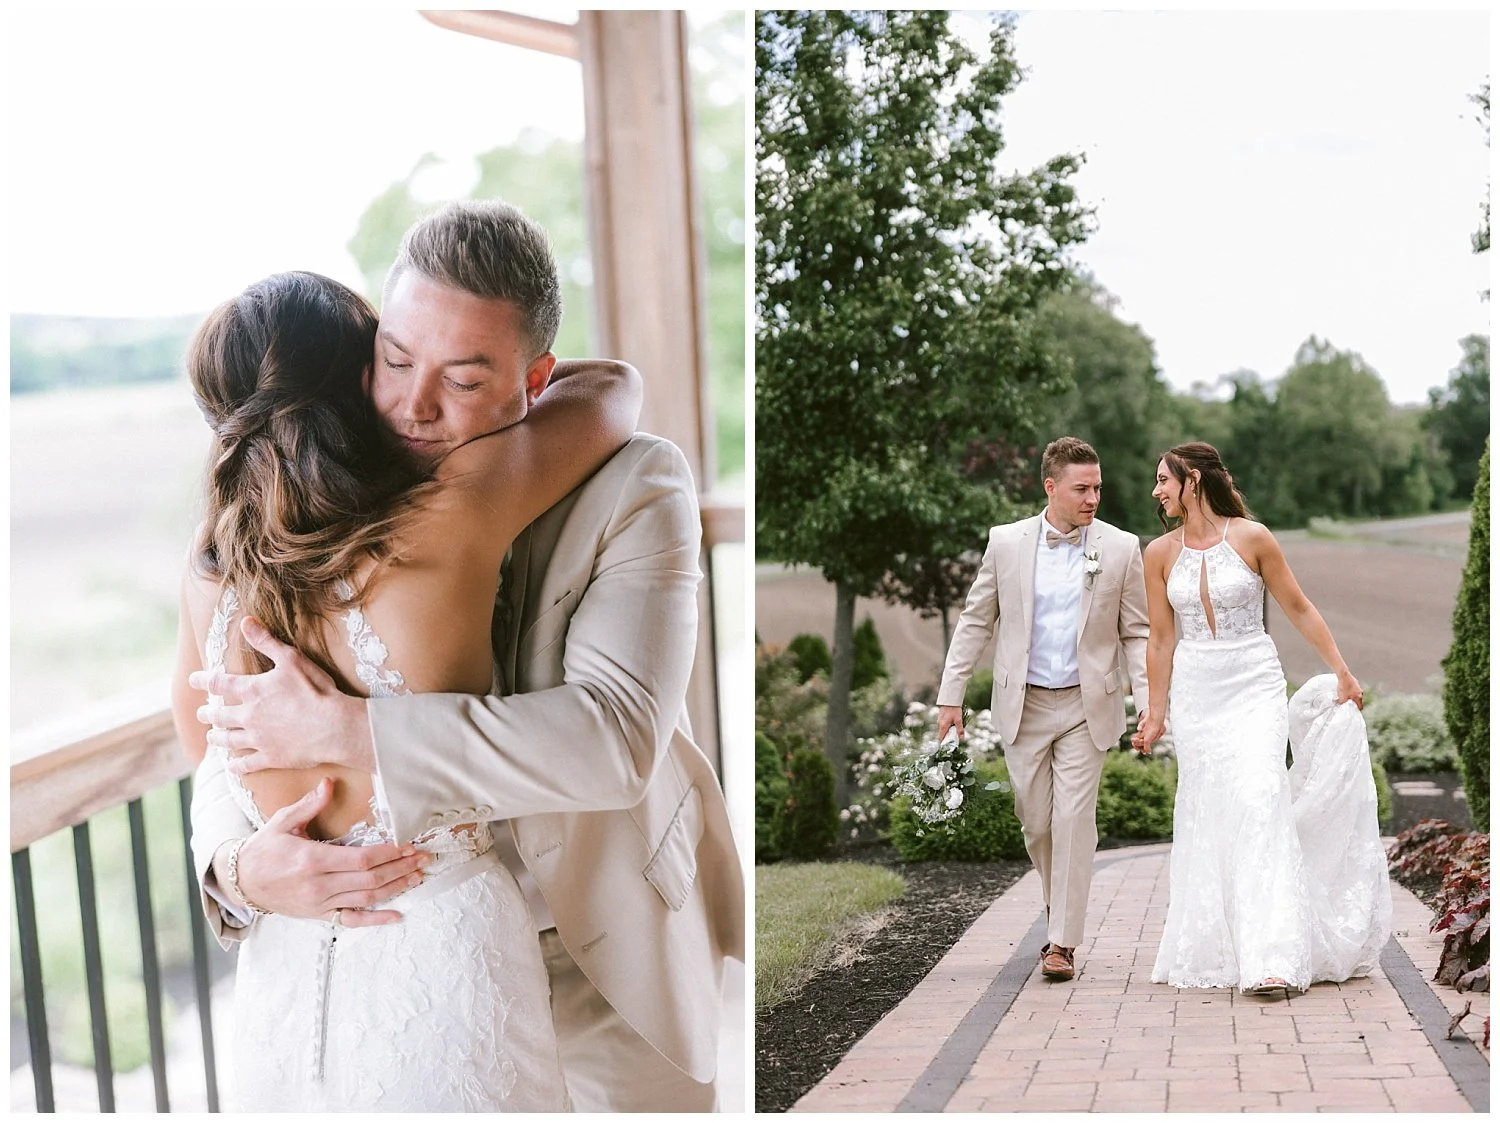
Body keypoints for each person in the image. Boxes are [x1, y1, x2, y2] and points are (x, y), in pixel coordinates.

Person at [183, 201, 744, 1112]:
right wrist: (236, 868)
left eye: (466, 379)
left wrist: (358, 732)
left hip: (597, 943)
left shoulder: (637, 482)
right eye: (395, 360)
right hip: (384, 954)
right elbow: (226, 731)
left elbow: (613, 742)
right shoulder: (296, 524)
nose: (414, 405)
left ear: (536, 379)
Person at [1135, 441, 1390, 996]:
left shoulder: (1253, 538)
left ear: (1193, 480)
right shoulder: (1157, 553)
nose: (1156, 490)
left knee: (1257, 801)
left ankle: (1272, 957)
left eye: (1163, 479)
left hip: (1253, 684)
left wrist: (1343, 673)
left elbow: (1298, 606)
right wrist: (1155, 713)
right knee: (1210, 813)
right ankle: (1220, 946)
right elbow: (1159, 639)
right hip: (1198, 693)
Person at [936, 436, 1149, 983]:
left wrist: (1149, 704)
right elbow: (977, 620)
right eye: (1082, 488)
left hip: (1087, 705)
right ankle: (1062, 908)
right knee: (1036, 823)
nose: (1093, 498)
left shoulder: (1122, 548)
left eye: (1098, 487)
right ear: (1050, 486)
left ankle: (1062, 942)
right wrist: (951, 695)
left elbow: (1136, 633)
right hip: (1023, 705)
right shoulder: (1006, 543)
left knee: (1074, 819)